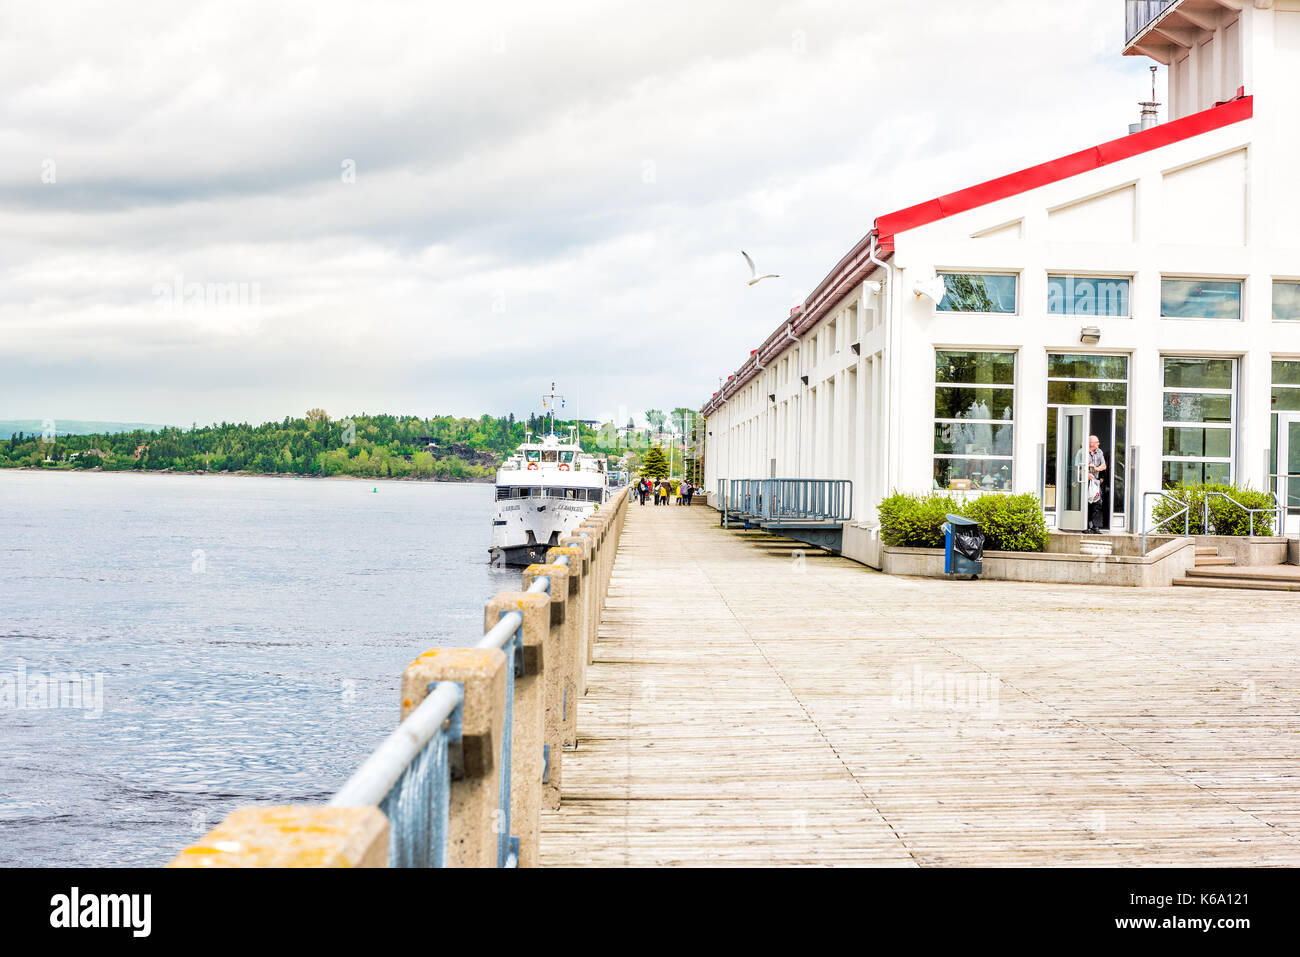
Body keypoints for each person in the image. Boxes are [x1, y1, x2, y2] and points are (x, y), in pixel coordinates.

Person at [1086, 434, 1107, 533]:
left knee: (1097, 503)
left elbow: (1104, 466)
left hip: (1095, 482)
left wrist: (1096, 468)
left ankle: (1095, 526)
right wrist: (1087, 474)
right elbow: (1077, 466)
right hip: (1085, 482)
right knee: (1086, 503)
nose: (1099, 443)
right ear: (1091, 443)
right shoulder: (1083, 452)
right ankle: (1085, 525)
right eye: (1097, 442)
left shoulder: (1100, 452)